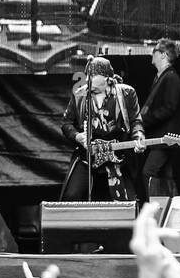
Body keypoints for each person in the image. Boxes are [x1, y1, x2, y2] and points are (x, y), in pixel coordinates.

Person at [59, 57, 145, 203]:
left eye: (92, 76)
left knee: (125, 204)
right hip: (88, 156)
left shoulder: (126, 93)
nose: (88, 79)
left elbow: (135, 120)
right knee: (71, 197)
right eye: (87, 75)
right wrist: (77, 136)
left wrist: (139, 136)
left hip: (117, 155)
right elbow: (66, 123)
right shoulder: (80, 95)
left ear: (106, 77)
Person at [139, 39, 180, 200]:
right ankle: (174, 210)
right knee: (166, 175)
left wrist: (145, 120)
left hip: (166, 137)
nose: (152, 55)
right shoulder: (161, 77)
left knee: (149, 172)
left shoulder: (171, 78)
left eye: (155, 52)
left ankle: (155, 210)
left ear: (163, 55)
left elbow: (169, 108)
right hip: (159, 136)